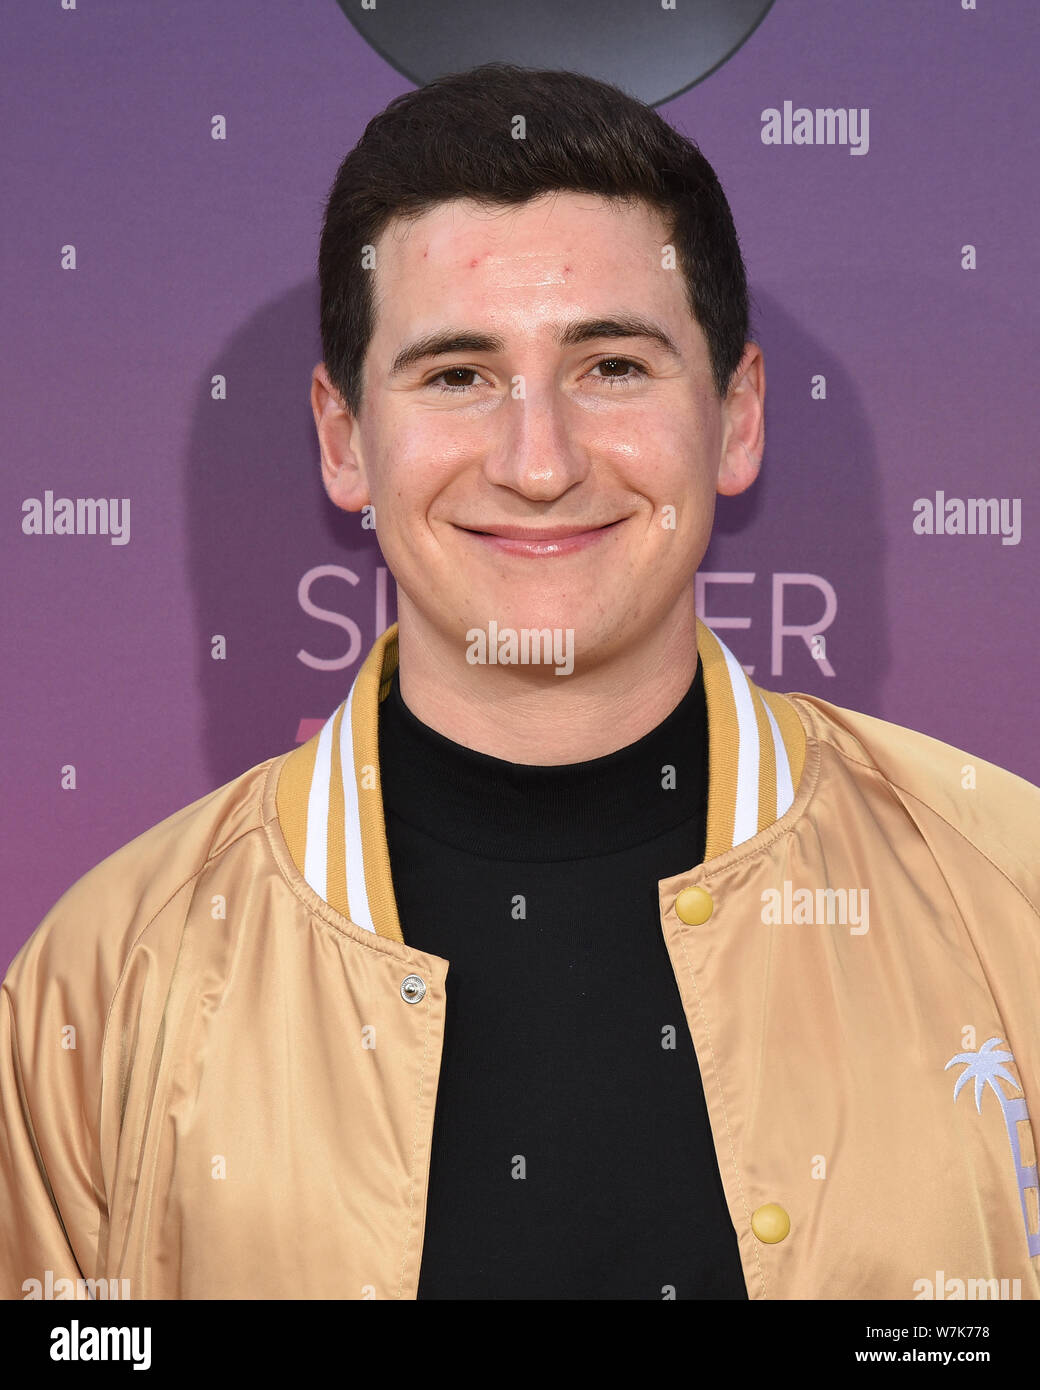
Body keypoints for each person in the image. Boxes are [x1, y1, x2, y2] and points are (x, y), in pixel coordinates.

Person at [2, 62, 1038, 1303]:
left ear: (737, 416)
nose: (536, 462)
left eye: (610, 366)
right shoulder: (101, 981)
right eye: (456, 375)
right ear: (343, 440)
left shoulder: (1010, 894)